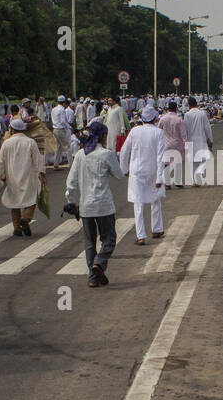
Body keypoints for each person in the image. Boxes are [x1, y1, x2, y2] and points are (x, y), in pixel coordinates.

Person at [66, 120, 125, 287]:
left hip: (86, 206)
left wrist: (71, 201)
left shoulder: (79, 155)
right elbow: (119, 175)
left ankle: (93, 277)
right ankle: (99, 263)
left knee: (90, 242)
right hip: (103, 205)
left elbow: (71, 182)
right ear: (103, 136)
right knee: (109, 239)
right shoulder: (106, 154)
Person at [119, 105, 166, 243]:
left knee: (138, 204)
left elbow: (124, 151)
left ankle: (141, 236)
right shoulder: (158, 132)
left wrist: (124, 170)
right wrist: (159, 177)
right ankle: (156, 229)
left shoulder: (134, 131)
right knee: (155, 199)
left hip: (136, 171)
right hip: (152, 170)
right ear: (154, 118)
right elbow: (160, 157)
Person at [0, 116, 45, 238]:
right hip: (28, 175)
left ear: (12, 129)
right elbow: (38, 160)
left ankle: (17, 227)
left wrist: (0, 176)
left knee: (14, 202)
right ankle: (26, 218)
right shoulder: (30, 142)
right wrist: (41, 173)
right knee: (32, 198)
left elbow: (1, 161)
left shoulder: (6, 143)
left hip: (12, 176)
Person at [183, 96, 214, 185]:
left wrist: (185, 141)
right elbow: (207, 128)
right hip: (201, 139)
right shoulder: (202, 113)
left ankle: (194, 181)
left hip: (190, 139)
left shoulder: (187, 115)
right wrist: (210, 140)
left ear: (189, 105)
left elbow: (185, 129)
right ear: (196, 104)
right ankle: (200, 170)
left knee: (192, 161)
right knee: (205, 158)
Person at [159, 101, 188, 188]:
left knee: (166, 163)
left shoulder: (163, 119)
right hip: (177, 144)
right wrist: (186, 146)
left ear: (168, 108)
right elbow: (184, 135)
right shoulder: (179, 120)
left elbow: (158, 131)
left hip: (166, 144)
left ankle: (167, 183)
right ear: (176, 109)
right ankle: (177, 181)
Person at [51, 95, 73, 169]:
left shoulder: (53, 109)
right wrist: (69, 127)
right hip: (60, 129)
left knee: (58, 147)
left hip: (54, 129)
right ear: (64, 102)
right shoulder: (62, 110)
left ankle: (56, 164)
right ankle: (71, 165)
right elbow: (63, 121)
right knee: (67, 147)